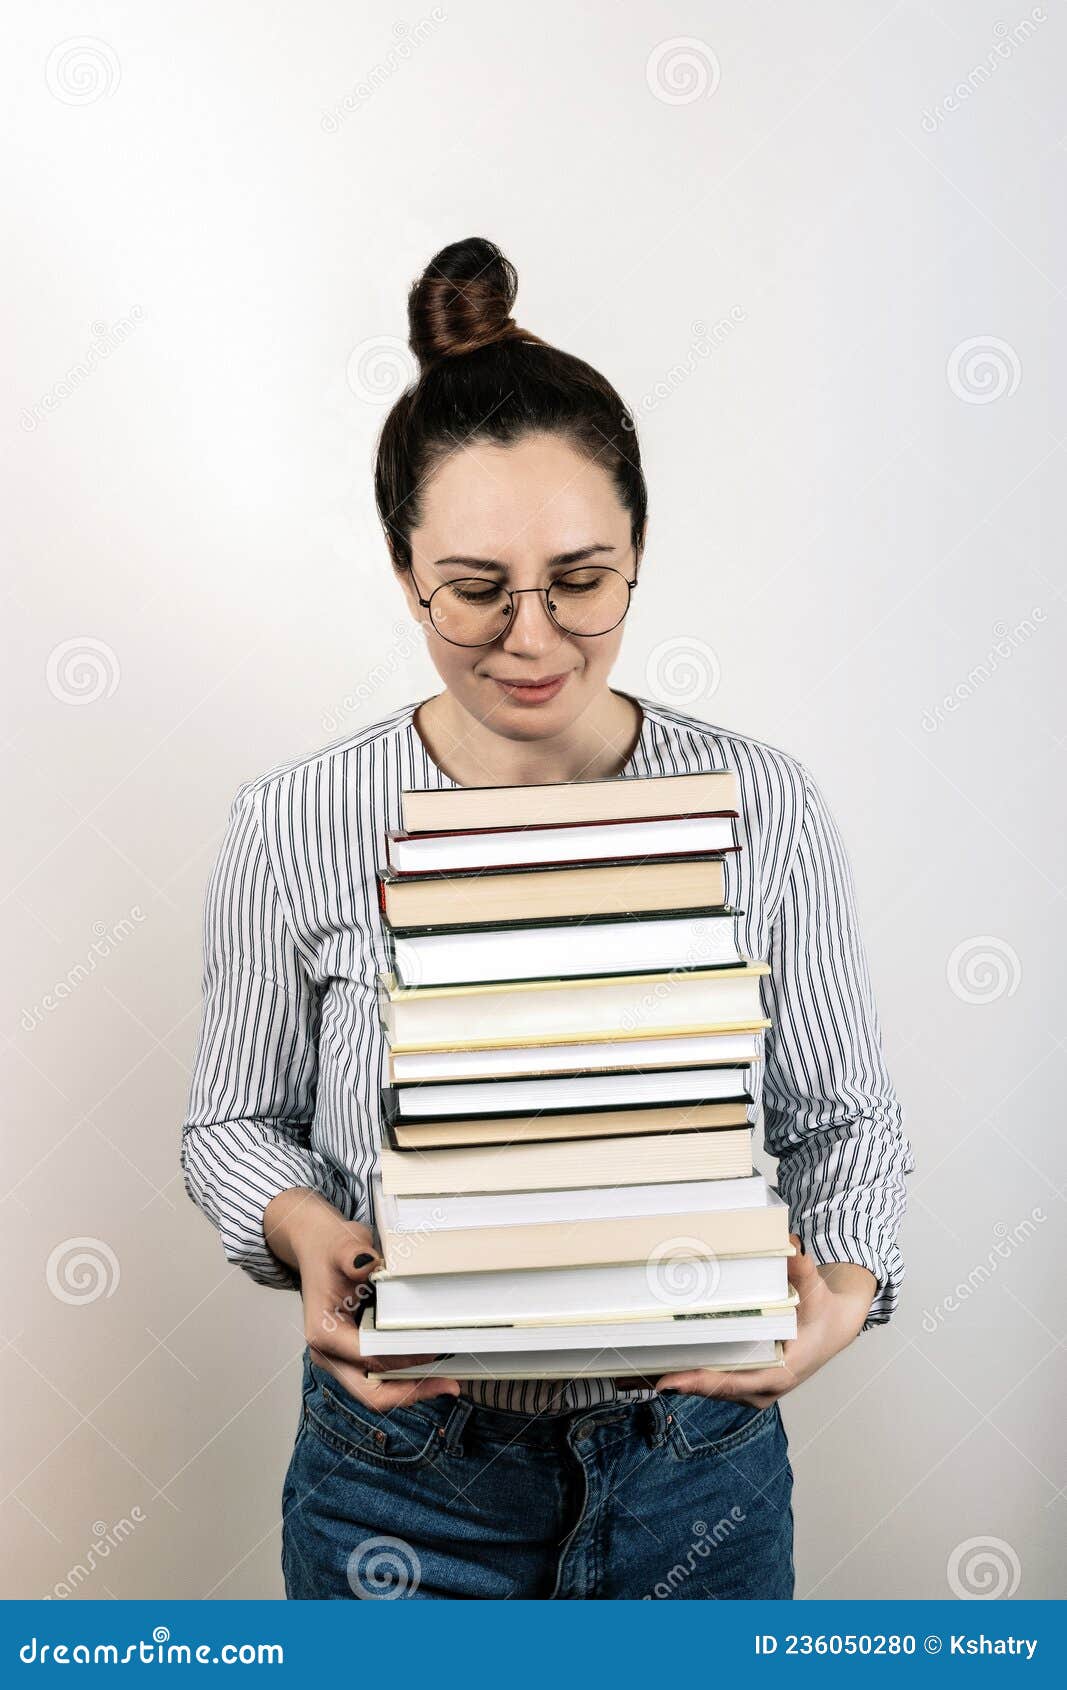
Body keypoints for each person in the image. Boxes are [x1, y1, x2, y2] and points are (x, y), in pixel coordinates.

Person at [180, 236, 914, 1601]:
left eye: (583, 579)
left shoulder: (765, 804)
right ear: (406, 571)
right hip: (403, 1477)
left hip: (695, 1466)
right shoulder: (294, 820)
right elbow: (230, 1120)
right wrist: (305, 1229)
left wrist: (844, 1295)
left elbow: (847, 1116)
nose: (533, 636)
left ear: (639, 550)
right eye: (475, 589)